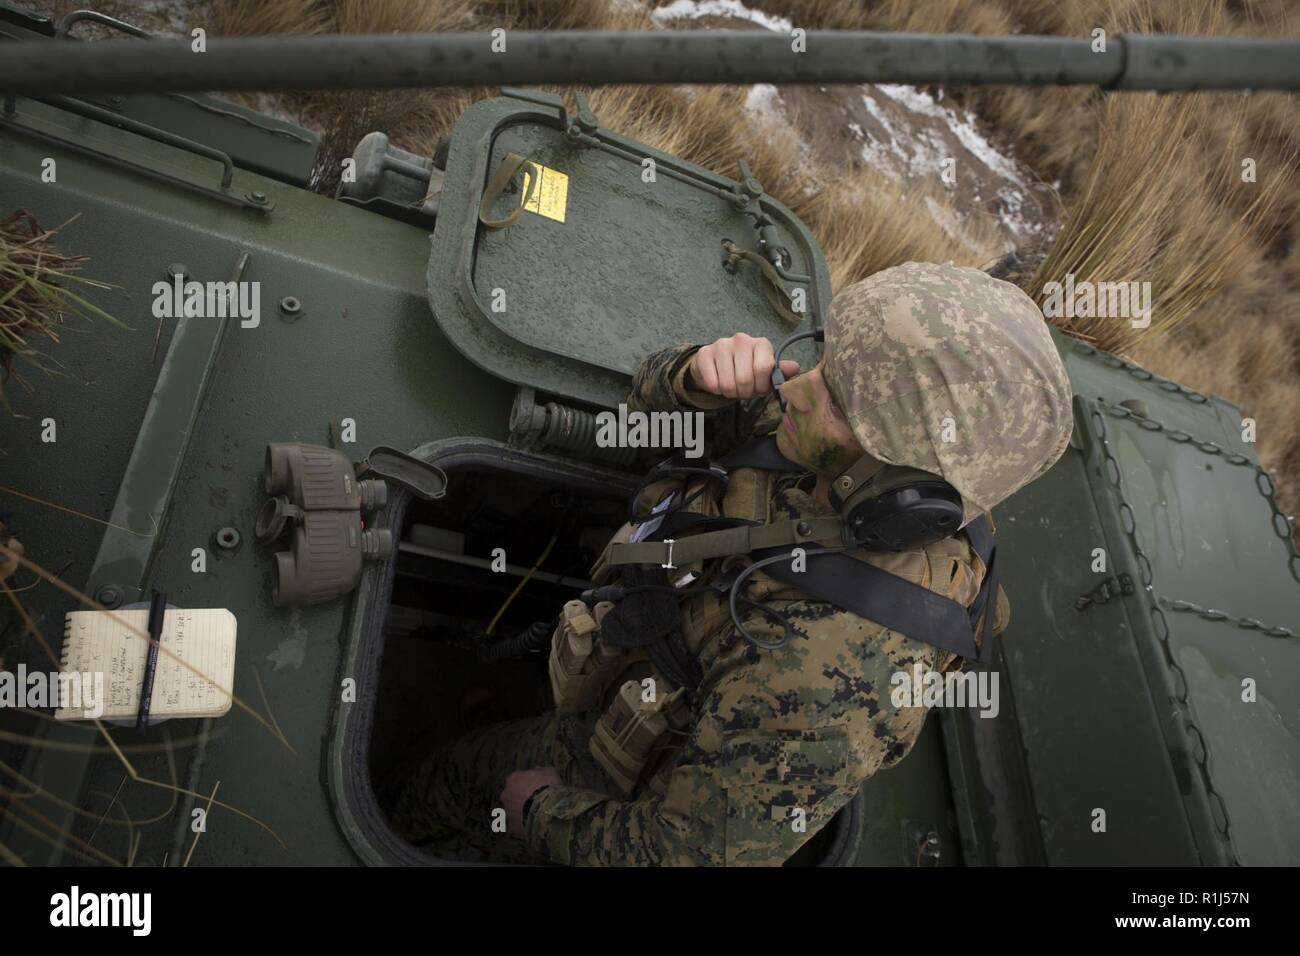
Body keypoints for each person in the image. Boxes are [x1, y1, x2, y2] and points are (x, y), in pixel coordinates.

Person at [381, 261, 1073, 865]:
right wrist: (693, 379)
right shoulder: (842, 445)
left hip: (608, 769)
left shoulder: (838, 677)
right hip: (625, 647)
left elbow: (691, 856)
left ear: (907, 492)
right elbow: (647, 413)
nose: (798, 387)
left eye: (835, 400)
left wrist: (540, 812)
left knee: (451, 783)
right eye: (827, 360)